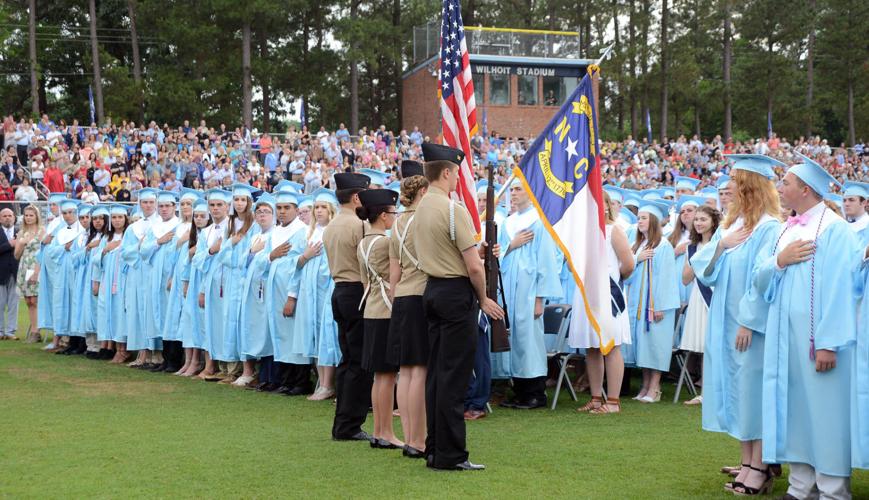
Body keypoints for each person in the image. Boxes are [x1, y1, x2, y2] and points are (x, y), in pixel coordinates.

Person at [753, 155, 859, 499]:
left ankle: (832, 490)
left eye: (786, 183)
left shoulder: (835, 229)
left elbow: (841, 288)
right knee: (794, 411)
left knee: (826, 415)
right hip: (785, 341)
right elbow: (760, 278)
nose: (779, 188)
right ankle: (801, 487)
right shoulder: (787, 227)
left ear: (805, 189)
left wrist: (829, 342)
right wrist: (779, 261)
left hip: (818, 342)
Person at [689, 154, 784, 492]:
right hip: (725, 320)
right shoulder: (733, 225)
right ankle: (746, 461)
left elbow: (764, 281)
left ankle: (761, 465)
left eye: (736, 182)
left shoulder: (769, 227)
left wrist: (748, 321)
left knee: (752, 390)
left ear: (750, 188)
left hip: (749, 325)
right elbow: (705, 269)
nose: (729, 188)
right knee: (738, 390)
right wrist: (721, 245)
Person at [413, 143, 504, 471]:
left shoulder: (421, 207)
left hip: (433, 289)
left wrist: (474, 256)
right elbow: (473, 268)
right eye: (455, 173)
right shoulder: (454, 210)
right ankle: (450, 454)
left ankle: (435, 447)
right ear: (447, 172)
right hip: (455, 294)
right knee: (454, 378)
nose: (457, 179)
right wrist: (482, 298)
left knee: (438, 375)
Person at [493, 178, 562, 410]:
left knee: (529, 340)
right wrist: (512, 245)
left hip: (529, 289)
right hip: (509, 287)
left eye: (517, 189)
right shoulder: (507, 223)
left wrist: (540, 298)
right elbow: (498, 254)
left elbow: (546, 261)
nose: (512, 193)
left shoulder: (539, 222)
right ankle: (519, 390)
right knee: (515, 339)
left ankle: (535, 392)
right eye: (511, 189)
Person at [571, 191, 635, 414]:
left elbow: (628, 264)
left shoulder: (613, 230)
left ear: (607, 206)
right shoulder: (582, 234)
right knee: (592, 347)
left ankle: (614, 401)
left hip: (609, 295)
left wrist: (609, 280)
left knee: (611, 345)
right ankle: (596, 397)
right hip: (587, 293)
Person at [324, 172, 374, 442]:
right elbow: (370, 262)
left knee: (348, 359)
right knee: (359, 361)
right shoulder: (359, 225)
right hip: (357, 291)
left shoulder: (332, 225)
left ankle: (344, 421)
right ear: (357, 196)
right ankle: (350, 424)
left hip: (340, 290)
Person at [387, 161, 429, 456]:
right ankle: (418, 440)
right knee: (419, 371)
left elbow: (393, 273)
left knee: (405, 371)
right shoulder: (424, 221)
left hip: (400, 296)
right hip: (420, 294)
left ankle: (409, 437)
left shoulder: (398, 223)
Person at [356, 188, 403, 449]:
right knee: (387, 376)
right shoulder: (385, 242)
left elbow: (365, 282)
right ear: (384, 216)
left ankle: (379, 430)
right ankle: (385, 432)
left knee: (380, 376)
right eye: (393, 213)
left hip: (372, 309)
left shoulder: (363, 242)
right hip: (386, 310)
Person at [286, 188, 340, 401]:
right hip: (309, 291)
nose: (318, 211)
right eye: (316, 207)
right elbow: (294, 265)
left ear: (331, 210)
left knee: (327, 334)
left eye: (323, 207)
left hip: (326, 289)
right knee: (314, 335)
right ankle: (321, 381)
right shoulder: (307, 234)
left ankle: (329, 384)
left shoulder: (333, 232)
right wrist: (305, 257)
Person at [624, 200, 679, 404]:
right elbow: (627, 277)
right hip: (638, 304)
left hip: (656, 305)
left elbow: (666, 277)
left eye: (644, 218)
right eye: (638, 218)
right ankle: (645, 385)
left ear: (654, 221)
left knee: (655, 344)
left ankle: (655, 388)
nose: (639, 221)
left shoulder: (663, 245)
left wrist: (660, 306)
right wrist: (636, 259)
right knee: (644, 345)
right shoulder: (638, 245)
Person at [265, 186, 312, 394]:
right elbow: (262, 259)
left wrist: (292, 296)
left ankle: (300, 381)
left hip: (291, 289)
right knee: (281, 334)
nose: (282, 211)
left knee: (294, 333)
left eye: (287, 207)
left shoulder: (302, 231)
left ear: (295, 209)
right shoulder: (275, 232)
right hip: (274, 289)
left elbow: (300, 264)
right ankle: (285, 378)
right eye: (279, 208)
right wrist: (271, 256)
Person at [678, 204, 720, 406]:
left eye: (703, 219)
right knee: (704, 346)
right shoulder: (691, 248)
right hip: (699, 296)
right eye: (697, 220)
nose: (699, 223)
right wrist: (696, 259)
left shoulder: (721, 243)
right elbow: (685, 279)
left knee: (716, 345)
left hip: (716, 296)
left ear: (713, 222)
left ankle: (719, 391)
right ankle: (705, 393)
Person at [141, 191, 182, 373]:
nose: (164, 209)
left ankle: (175, 360)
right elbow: (143, 251)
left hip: (170, 277)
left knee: (171, 316)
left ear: (175, 207)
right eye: (162, 206)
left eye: (168, 206)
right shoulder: (155, 228)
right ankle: (165, 359)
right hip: (155, 277)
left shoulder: (180, 227)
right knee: (161, 317)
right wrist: (159, 241)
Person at [239, 193, 276, 383]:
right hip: (253, 290)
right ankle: (260, 373)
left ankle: (270, 374)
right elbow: (241, 261)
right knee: (256, 328)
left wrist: (255, 255)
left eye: (267, 212)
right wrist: (252, 252)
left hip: (267, 288)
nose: (262, 215)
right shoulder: (255, 236)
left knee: (268, 329)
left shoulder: (275, 234)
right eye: (259, 212)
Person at [121, 188, 160, 368]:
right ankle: (143, 352)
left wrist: (147, 250)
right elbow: (125, 252)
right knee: (138, 311)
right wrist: (140, 246)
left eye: (151, 202)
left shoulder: (162, 224)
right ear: (140, 204)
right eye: (145, 202)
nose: (148, 205)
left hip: (153, 272)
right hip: (138, 273)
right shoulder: (133, 228)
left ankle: (157, 353)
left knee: (153, 311)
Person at [161, 189, 198, 373]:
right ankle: (173, 359)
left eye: (189, 204)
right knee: (174, 316)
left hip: (189, 276)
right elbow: (171, 254)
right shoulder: (179, 228)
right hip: (177, 275)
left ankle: (188, 361)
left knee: (186, 316)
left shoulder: (198, 227)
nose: (185, 207)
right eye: (182, 204)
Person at [178, 199, 211, 376]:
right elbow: (185, 263)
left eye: (202, 216)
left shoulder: (208, 236)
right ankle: (189, 360)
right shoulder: (192, 237)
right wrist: (185, 282)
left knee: (200, 321)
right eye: (196, 216)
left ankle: (199, 362)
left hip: (202, 279)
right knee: (189, 320)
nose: (198, 219)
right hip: (191, 281)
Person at [46, 200, 85, 354]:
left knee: (75, 303)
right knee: (61, 303)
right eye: (65, 213)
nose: (68, 216)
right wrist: (64, 247)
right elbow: (51, 252)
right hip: (62, 272)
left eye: (71, 212)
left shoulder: (82, 230)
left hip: (75, 272)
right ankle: (62, 337)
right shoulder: (60, 232)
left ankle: (76, 340)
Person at [95, 205, 130, 364]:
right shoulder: (106, 238)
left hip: (122, 282)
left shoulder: (129, 236)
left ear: (125, 219)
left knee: (120, 314)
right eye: (114, 217)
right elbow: (96, 261)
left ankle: (123, 350)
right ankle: (113, 348)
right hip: (107, 281)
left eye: (120, 217)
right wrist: (105, 250)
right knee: (108, 314)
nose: (117, 220)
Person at [71, 205, 106, 358]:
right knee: (88, 310)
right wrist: (87, 248)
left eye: (101, 219)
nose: (98, 222)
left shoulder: (107, 238)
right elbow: (75, 259)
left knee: (98, 310)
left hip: (101, 278)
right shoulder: (88, 237)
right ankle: (90, 344)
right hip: (86, 278)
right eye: (95, 219)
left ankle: (100, 345)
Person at [14, 205, 43, 343]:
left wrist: (37, 272)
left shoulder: (42, 231)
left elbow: (44, 253)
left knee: (35, 300)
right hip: (24, 267)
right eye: (26, 215)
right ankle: (33, 330)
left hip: (36, 266)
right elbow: (16, 255)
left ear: (36, 216)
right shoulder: (21, 232)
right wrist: (21, 243)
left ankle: (36, 332)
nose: (28, 218)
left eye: (31, 215)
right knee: (28, 301)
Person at [0, 207, 19, 340]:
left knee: (14, 303)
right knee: (0, 303)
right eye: (4, 216)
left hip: (16, 272)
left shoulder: (20, 231)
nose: (7, 218)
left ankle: (11, 331)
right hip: (1, 272)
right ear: (0, 218)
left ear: (14, 217)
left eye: (10, 215)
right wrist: (9, 244)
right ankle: (0, 331)